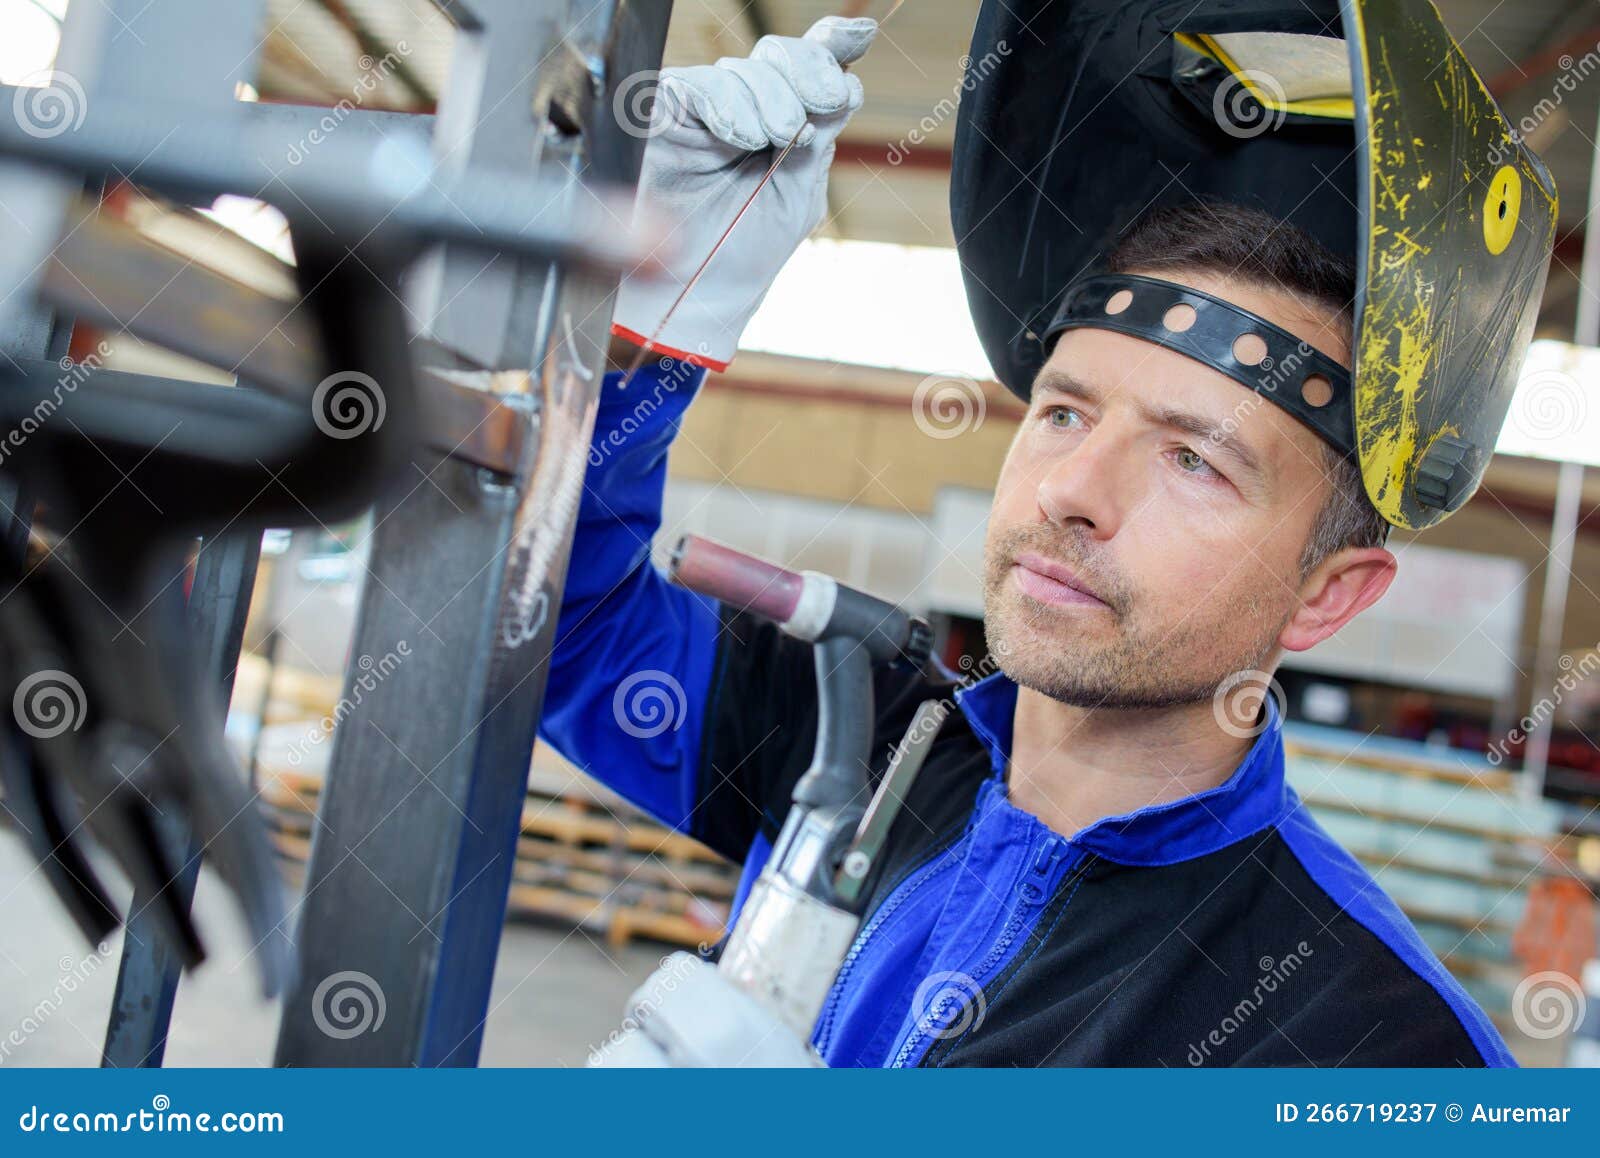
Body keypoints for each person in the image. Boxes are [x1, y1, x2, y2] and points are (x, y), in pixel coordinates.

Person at [542, 8, 1548, 1066]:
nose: (1070, 489)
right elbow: (552, 619)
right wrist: (655, 323)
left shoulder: (1372, 1042)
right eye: (1064, 412)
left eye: (1192, 460)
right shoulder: (855, 738)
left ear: (1329, 593)